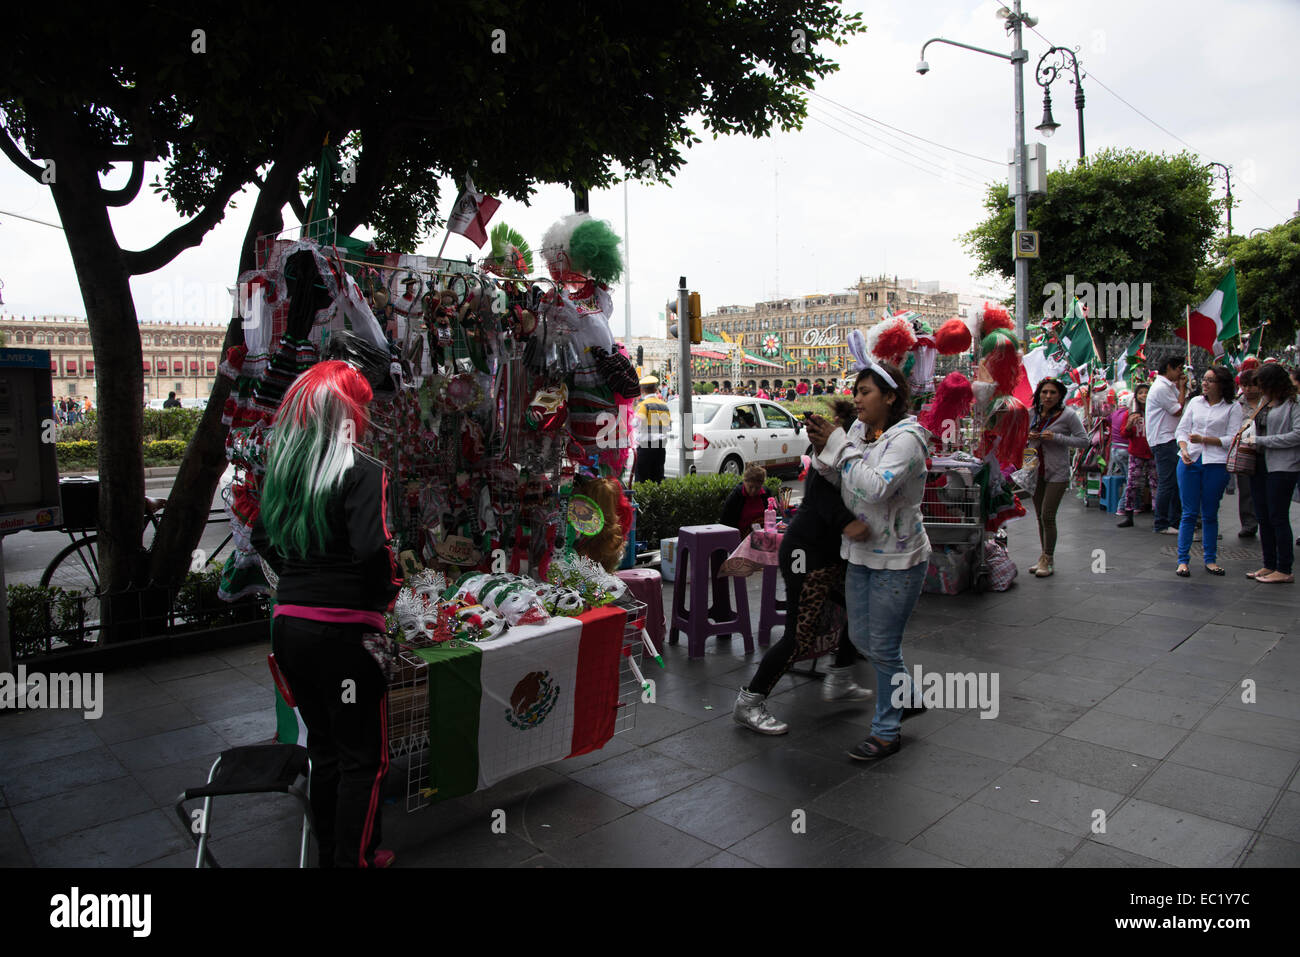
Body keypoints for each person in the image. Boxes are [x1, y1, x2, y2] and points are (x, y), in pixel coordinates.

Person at [251, 360, 400, 868]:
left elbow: (261, 540)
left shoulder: (285, 471)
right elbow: (371, 551)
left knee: (326, 752)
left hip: (290, 627)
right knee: (365, 759)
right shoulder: (364, 471)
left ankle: (336, 854)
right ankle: (352, 861)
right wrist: (385, 596)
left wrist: (301, 577)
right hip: (345, 635)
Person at [805, 360, 930, 762]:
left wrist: (840, 449)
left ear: (890, 397)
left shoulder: (908, 439)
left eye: (866, 392)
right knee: (860, 639)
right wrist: (822, 444)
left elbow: (874, 488)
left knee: (884, 646)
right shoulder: (858, 431)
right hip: (859, 553)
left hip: (900, 558)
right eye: (855, 391)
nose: (856, 399)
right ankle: (906, 696)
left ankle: (886, 731)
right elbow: (836, 476)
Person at [733, 400, 872, 734]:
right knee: (798, 636)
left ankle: (839, 675)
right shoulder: (831, 455)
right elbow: (824, 500)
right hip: (805, 554)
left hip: (828, 555)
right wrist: (849, 524)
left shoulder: (850, 451)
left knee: (857, 606)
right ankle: (750, 701)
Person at [1173, 366, 1241, 577]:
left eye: (1211, 380)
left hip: (1216, 463)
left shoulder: (1233, 407)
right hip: (1190, 460)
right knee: (1189, 513)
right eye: (1205, 379)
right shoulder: (1195, 402)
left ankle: (1210, 559)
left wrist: (1205, 440)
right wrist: (1184, 449)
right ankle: (1183, 560)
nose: (1205, 383)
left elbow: (1233, 438)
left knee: (1210, 513)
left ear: (1221, 384)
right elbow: (1182, 429)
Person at [1243, 362, 1300, 583]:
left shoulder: (1293, 403)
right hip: (1259, 464)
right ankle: (1269, 564)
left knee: (1278, 516)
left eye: (1263, 385)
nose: (1260, 390)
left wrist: (1262, 441)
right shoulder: (1265, 402)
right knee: (1263, 516)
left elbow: (1297, 434)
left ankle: (1284, 568)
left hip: (1283, 466)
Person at [1026, 377, 1088, 576]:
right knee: (1039, 517)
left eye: (1053, 392)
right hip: (1035, 471)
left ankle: (1048, 559)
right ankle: (1043, 556)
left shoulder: (1068, 415)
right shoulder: (1032, 413)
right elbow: (1020, 436)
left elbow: (1083, 441)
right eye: (1044, 392)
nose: (1048, 396)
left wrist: (1056, 437)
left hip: (1057, 473)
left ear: (1060, 395)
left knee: (1048, 515)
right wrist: (1029, 436)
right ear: (1039, 394)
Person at [1146, 357, 1187, 534]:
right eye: (1178, 368)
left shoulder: (1166, 386)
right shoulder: (1161, 388)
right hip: (1164, 439)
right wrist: (1183, 388)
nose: (1180, 373)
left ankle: (1173, 520)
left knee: (1174, 482)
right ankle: (1162, 522)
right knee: (1168, 482)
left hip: (1168, 438)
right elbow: (1177, 410)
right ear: (1168, 368)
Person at [1117, 383, 1156, 527]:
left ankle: (1157, 514)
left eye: (1146, 392)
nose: (1144, 395)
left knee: (1155, 484)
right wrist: (1129, 424)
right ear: (1136, 396)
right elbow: (1124, 434)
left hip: (1153, 453)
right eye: (1141, 393)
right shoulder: (1130, 413)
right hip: (1136, 453)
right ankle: (1128, 515)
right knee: (1132, 484)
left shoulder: (1155, 412)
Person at [1235, 369, 1261, 538]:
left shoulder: (1267, 402)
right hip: (1244, 451)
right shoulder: (1237, 404)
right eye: (1245, 385)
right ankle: (1248, 524)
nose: (1249, 389)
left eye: (1252, 385)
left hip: (1265, 449)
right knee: (1245, 489)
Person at [632, 376, 671, 483]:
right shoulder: (664, 405)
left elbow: (635, 424)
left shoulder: (643, 405)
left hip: (645, 447)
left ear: (642, 390)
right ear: (655, 389)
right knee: (658, 479)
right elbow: (668, 426)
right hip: (660, 447)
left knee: (642, 480)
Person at [721, 464, 769, 533]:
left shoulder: (765, 495)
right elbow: (725, 523)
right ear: (744, 482)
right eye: (750, 487)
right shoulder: (736, 497)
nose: (753, 491)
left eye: (757, 488)